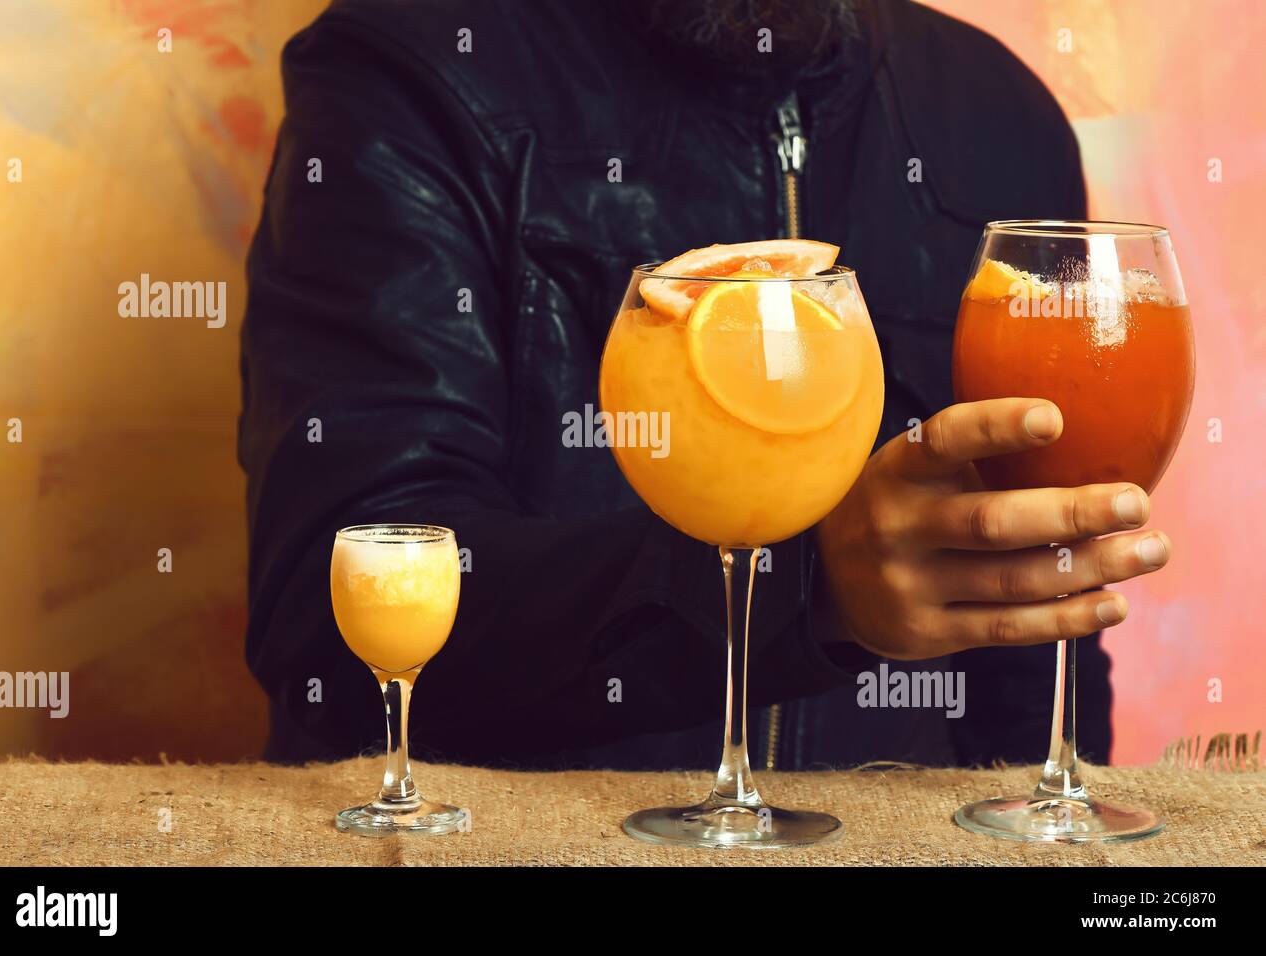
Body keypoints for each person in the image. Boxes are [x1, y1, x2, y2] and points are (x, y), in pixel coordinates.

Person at [239, 0, 1170, 770]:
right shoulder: (403, 71)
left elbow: (1036, 592)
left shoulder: (998, 111)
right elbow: (330, 617)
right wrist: (803, 590)